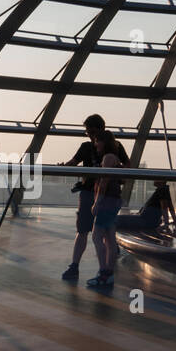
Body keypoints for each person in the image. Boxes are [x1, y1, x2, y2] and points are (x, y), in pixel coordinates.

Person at [60, 115, 130, 281]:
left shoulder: (111, 149)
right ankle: (99, 270)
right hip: (97, 195)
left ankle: (99, 271)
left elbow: (124, 168)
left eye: (91, 132)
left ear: (100, 130)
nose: (90, 136)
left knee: (97, 234)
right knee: (95, 232)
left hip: (101, 196)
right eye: (87, 132)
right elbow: (73, 163)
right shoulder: (105, 147)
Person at [87, 139, 125, 288]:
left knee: (97, 236)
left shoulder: (108, 157)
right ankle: (108, 273)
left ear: (104, 142)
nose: (96, 144)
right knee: (109, 238)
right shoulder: (115, 158)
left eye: (98, 142)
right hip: (113, 200)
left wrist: (97, 202)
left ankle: (104, 272)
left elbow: (104, 180)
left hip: (107, 201)